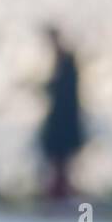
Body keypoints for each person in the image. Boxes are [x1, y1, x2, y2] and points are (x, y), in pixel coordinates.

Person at [38, 25, 84, 200]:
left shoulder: (67, 61)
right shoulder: (61, 61)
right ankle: (59, 197)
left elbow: (65, 93)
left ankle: (61, 199)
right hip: (59, 122)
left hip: (64, 123)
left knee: (62, 164)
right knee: (58, 165)